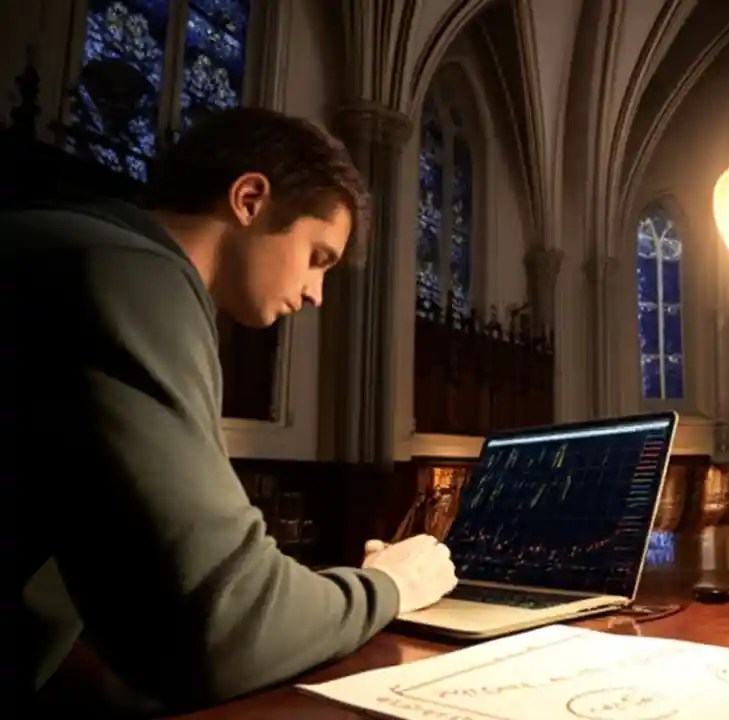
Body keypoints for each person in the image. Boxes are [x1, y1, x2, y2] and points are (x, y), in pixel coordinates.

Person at [0, 107, 458, 714]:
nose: (317, 294)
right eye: (318, 256)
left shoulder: (71, 244)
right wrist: (391, 586)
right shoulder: (130, 274)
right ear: (249, 199)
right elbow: (222, 625)